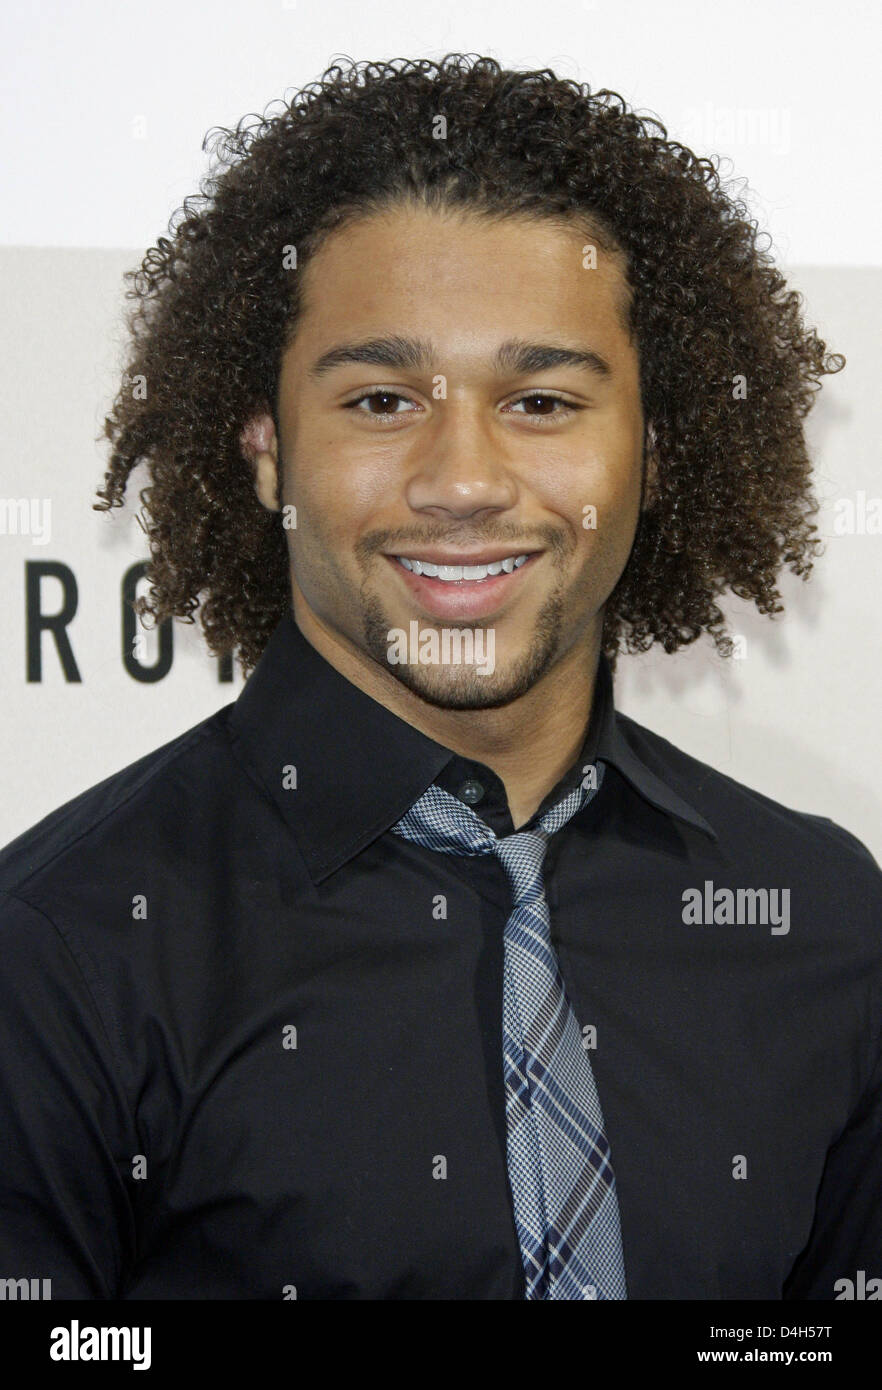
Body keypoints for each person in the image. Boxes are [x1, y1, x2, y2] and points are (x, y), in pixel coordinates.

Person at [1, 54, 879, 1301]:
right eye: (380, 397)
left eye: (539, 399)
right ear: (265, 451)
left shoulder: (823, 919)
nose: (462, 479)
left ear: (655, 448)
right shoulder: (60, 952)